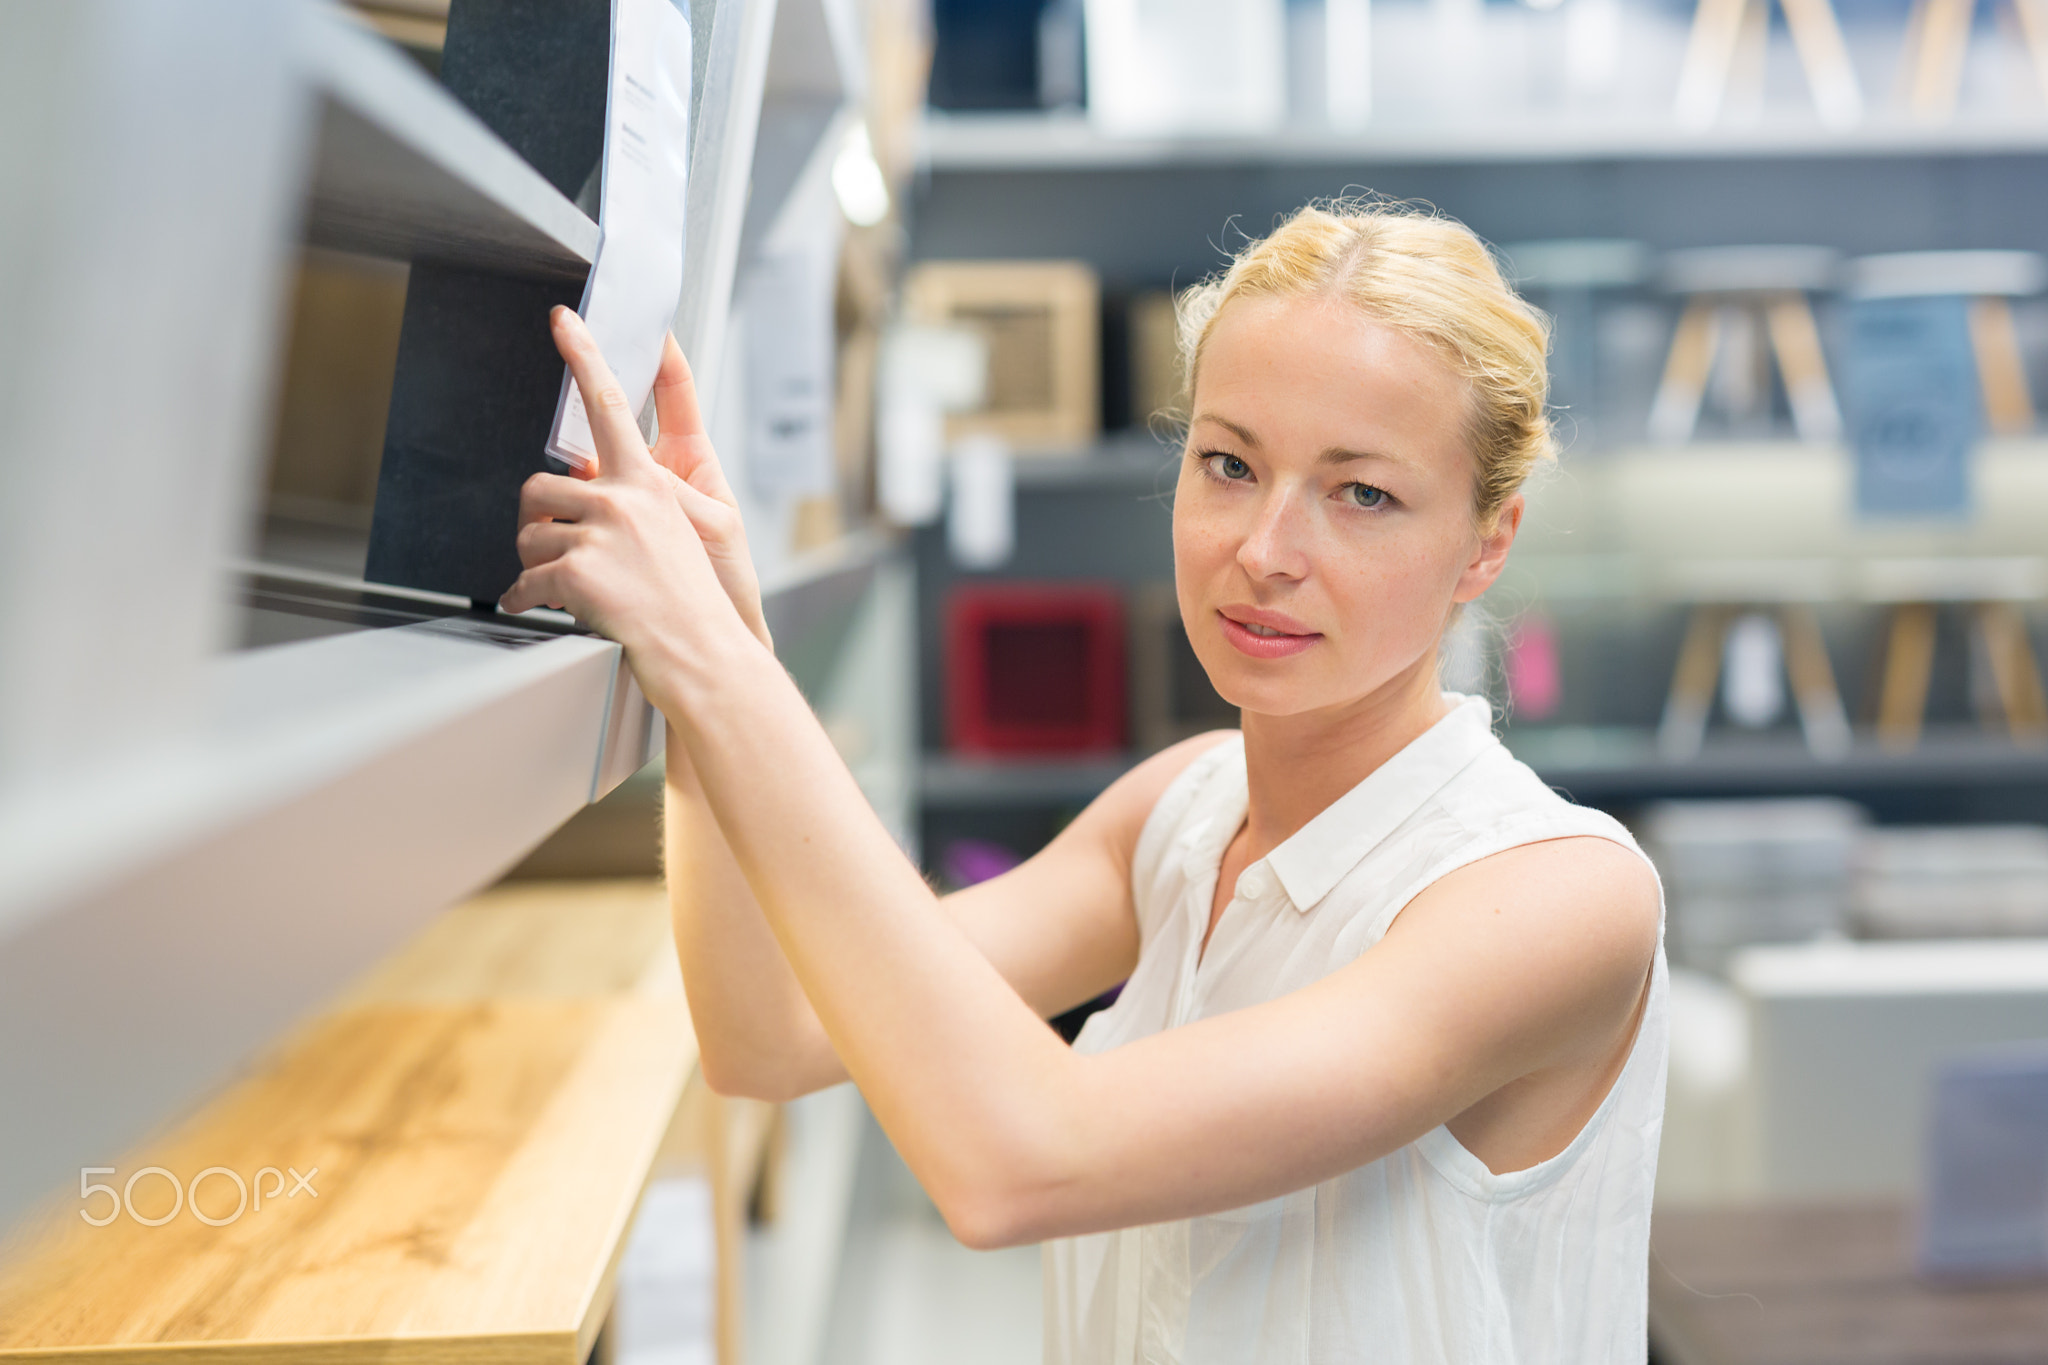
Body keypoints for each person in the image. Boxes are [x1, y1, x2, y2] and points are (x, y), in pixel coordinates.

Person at [501, 200, 1667, 1364]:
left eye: (1359, 493)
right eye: (1227, 463)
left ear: (1485, 542)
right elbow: (770, 1036)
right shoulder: (1177, 817)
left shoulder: (1554, 900)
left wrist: (712, 666)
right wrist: (717, 649)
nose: (1263, 549)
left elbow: (1017, 1160)